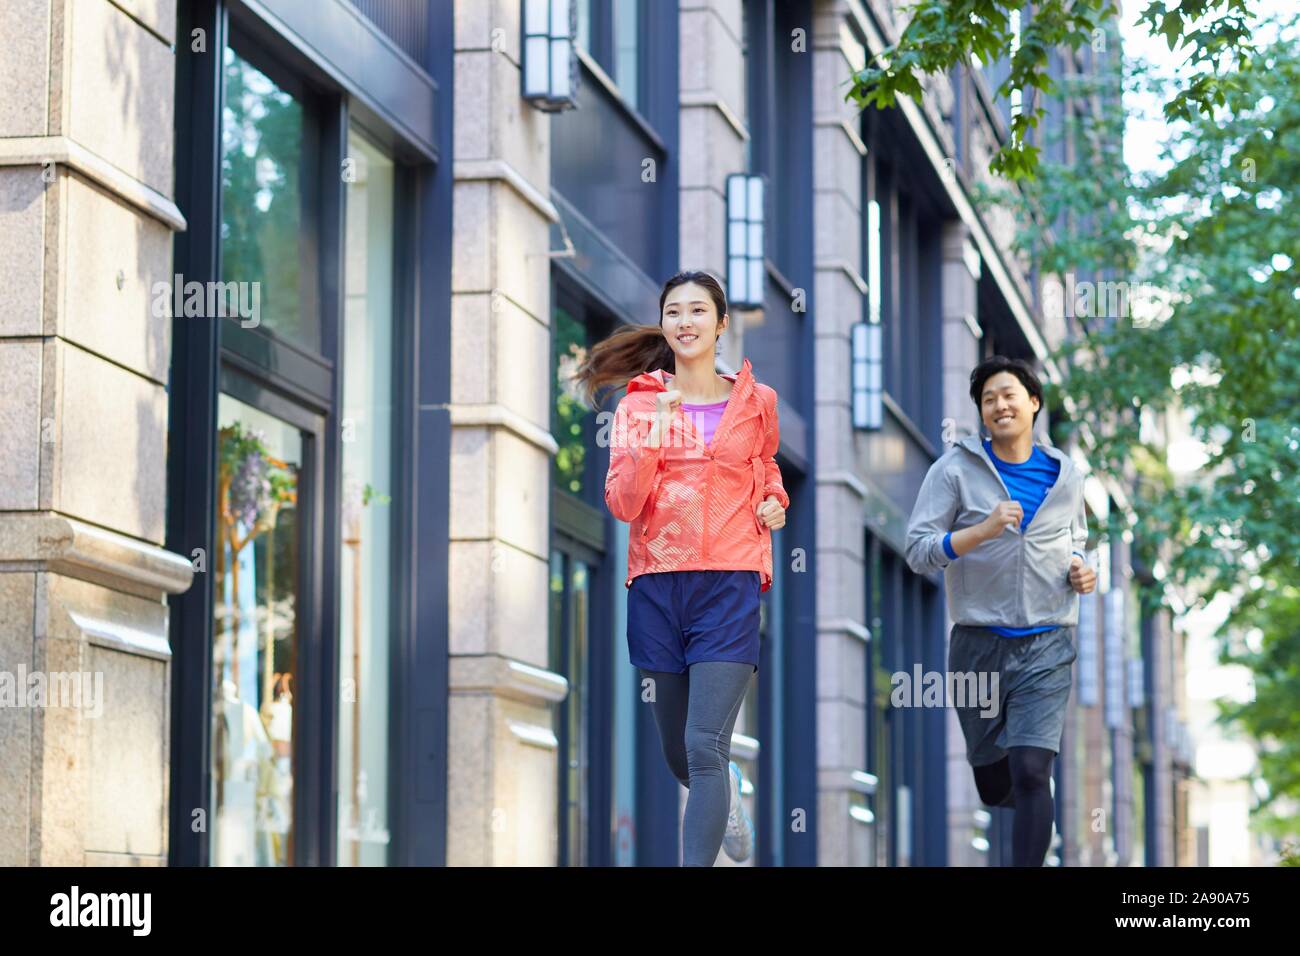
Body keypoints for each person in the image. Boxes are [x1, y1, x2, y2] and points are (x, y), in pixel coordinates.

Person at [573, 269, 789, 866]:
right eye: (674, 312)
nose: (685, 322)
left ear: (721, 324)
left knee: (702, 744)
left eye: (698, 312)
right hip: (657, 586)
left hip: (730, 582)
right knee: (678, 750)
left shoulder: (757, 402)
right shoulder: (640, 405)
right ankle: (732, 800)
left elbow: (765, 470)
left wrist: (776, 501)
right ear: (664, 324)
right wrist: (654, 435)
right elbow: (622, 503)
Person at [905, 356, 1097, 867]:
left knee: (1035, 769)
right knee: (995, 782)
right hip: (977, 643)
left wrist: (1083, 566)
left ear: (1033, 402)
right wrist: (981, 531)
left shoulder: (1068, 474)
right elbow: (918, 550)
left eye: (1009, 394)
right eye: (989, 399)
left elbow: (1075, 540)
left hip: (1048, 640)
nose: (999, 405)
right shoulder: (953, 471)